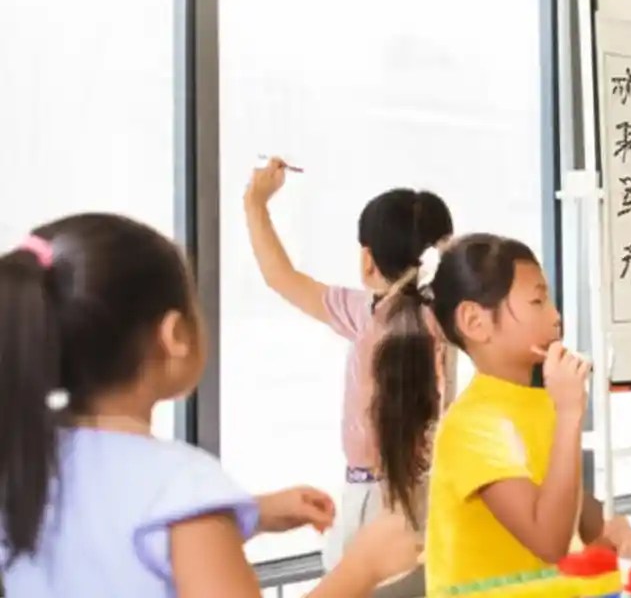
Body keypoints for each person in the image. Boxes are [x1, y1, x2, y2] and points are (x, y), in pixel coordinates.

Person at [0, 214, 419, 597]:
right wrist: (362, 567)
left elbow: (107, 538)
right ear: (175, 334)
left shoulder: (24, 464)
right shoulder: (182, 489)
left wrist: (248, 514)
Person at [244, 158, 454, 595]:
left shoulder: (367, 314)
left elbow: (280, 277)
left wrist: (255, 203)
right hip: (433, 496)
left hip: (370, 501)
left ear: (368, 260)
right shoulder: (451, 321)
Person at [423, 233, 631, 589]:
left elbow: (573, 506)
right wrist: (570, 413)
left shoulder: (540, 402)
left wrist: (620, 532)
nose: (555, 317)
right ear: (475, 322)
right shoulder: (472, 425)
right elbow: (549, 540)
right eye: (537, 301)